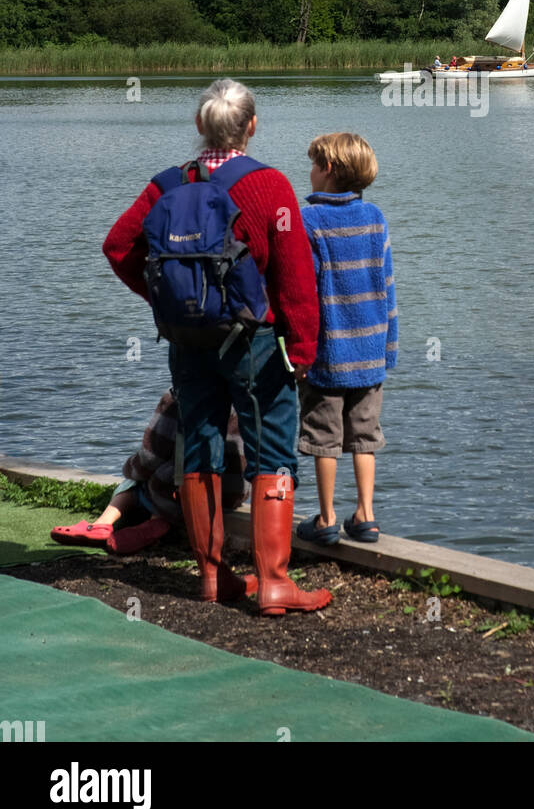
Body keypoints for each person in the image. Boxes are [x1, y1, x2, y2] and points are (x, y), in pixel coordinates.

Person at [103, 78, 331, 615]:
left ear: (200, 127)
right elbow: (296, 277)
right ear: (251, 126)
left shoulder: (166, 185)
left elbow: (117, 246)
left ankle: (212, 576)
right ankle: (274, 583)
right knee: (272, 451)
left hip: (187, 340)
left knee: (199, 445)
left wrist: (165, 301)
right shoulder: (270, 187)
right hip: (254, 341)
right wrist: (301, 349)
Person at [295, 133, 397, 546]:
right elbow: (387, 287)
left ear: (330, 171)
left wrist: (300, 349)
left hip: (327, 353)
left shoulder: (309, 221)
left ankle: (326, 517)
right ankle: (367, 515)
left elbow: (304, 292)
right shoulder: (375, 218)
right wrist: (388, 348)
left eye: (315, 164)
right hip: (371, 351)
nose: (311, 171)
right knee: (365, 435)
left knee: (324, 438)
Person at [50, 391, 247, 556]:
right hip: (232, 494)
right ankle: (155, 522)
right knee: (188, 462)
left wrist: (129, 470)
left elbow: (149, 459)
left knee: (135, 482)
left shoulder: (179, 394)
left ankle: (106, 523)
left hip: (180, 493)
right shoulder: (244, 395)